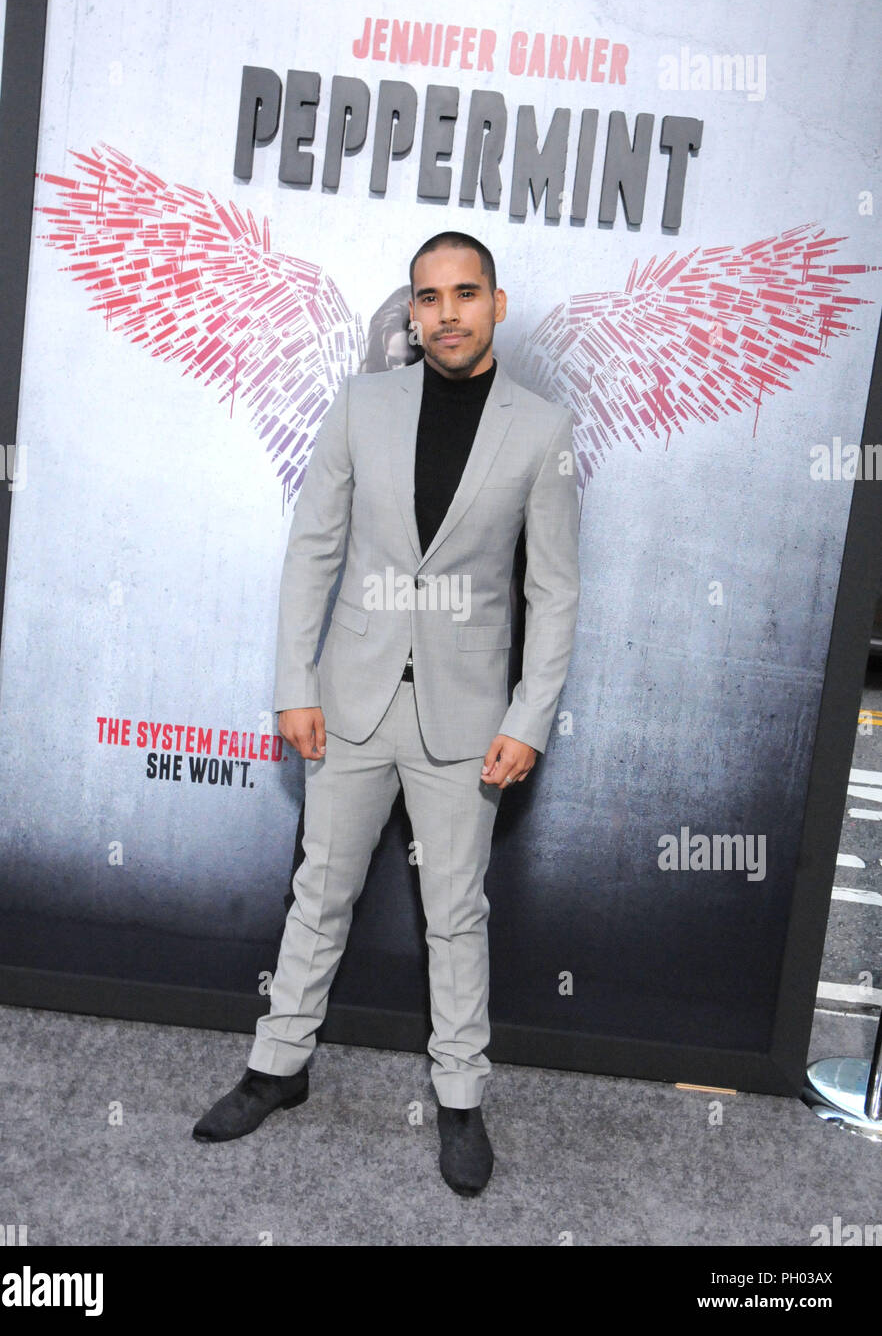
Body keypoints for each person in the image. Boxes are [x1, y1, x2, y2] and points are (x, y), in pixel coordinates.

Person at [193, 231, 581, 1197]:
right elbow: (312, 550)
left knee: (456, 914)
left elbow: (556, 594)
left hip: (467, 719)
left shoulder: (542, 431)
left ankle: (459, 1100)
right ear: (411, 312)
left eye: (464, 293)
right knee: (319, 890)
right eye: (428, 297)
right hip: (352, 698)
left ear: (496, 302)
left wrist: (530, 716)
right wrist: (295, 681)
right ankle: (277, 1068)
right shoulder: (362, 405)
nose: (445, 312)